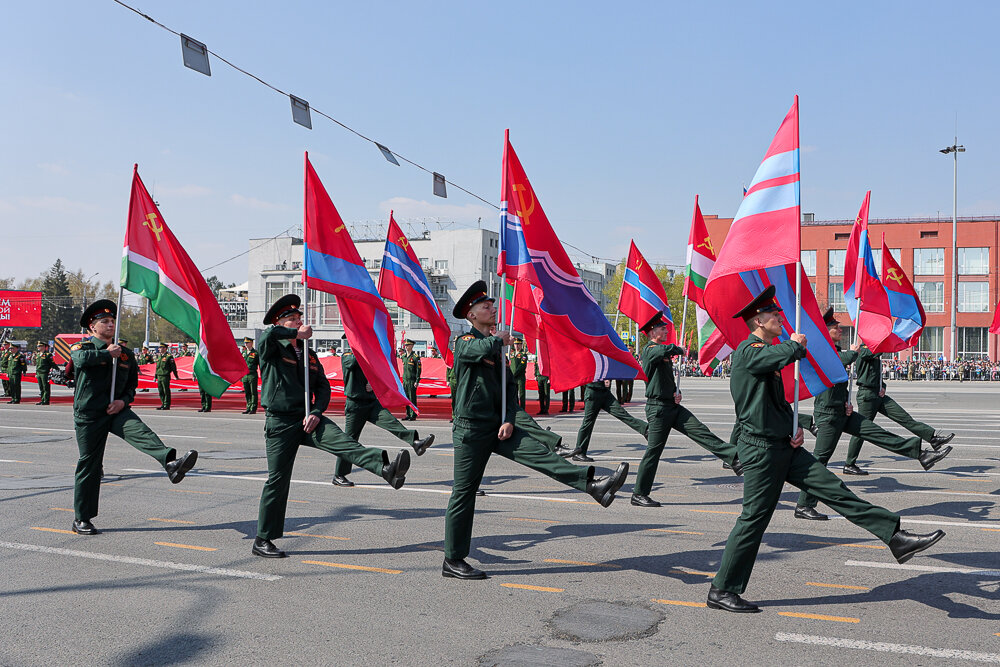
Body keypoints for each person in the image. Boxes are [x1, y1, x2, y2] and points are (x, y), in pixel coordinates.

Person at [707, 286, 945, 613]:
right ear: (758, 320)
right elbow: (773, 359)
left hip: (782, 447)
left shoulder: (768, 351)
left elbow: (776, 403)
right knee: (753, 520)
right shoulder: (748, 351)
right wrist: (795, 345)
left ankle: (895, 536)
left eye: (778, 312)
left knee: (834, 488)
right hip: (761, 452)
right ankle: (722, 589)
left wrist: (794, 428)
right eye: (774, 314)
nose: (780, 317)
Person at [442, 281, 629, 579]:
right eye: (485, 307)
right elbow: (474, 350)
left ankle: (592, 484)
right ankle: (453, 560)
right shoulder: (465, 341)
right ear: (471, 314)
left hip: (497, 426)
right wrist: (498, 341)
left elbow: (508, 390)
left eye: (492, 305)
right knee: (464, 494)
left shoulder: (497, 347)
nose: (492, 309)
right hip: (470, 430)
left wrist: (507, 418)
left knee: (541, 455)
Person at [252, 294, 410, 559]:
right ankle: (263, 539)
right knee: (277, 482)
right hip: (280, 422)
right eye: (292, 318)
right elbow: (267, 337)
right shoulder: (272, 347)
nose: (298, 321)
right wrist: (291, 332)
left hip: (308, 419)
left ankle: (384, 468)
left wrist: (315, 411)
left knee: (344, 443)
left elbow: (323, 389)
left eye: (299, 317)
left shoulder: (310, 356)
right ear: (280, 323)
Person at [794, 310, 953, 521]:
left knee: (877, 433)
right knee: (819, 461)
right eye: (836, 327)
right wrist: (855, 351)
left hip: (842, 412)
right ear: (826, 331)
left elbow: (838, 382)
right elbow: (841, 360)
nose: (840, 329)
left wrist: (846, 403)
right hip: (828, 416)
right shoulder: (823, 350)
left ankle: (921, 454)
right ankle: (804, 505)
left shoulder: (835, 348)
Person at [69, 300, 198, 535]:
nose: (110, 324)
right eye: (104, 322)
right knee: (90, 464)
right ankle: (82, 518)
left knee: (141, 431)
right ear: (92, 328)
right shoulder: (83, 349)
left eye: (112, 321)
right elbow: (80, 363)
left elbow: (131, 387)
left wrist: (123, 401)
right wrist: (107, 355)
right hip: (89, 415)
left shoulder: (126, 355)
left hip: (116, 410)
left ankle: (170, 462)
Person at [632, 311, 742, 507]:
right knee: (654, 452)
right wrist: (678, 349)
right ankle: (639, 493)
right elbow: (662, 352)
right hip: (658, 409)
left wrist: (676, 391)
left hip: (672, 405)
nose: (666, 330)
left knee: (700, 431)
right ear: (652, 331)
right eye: (662, 328)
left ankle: (733, 458)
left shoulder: (661, 350)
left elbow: (663, 379)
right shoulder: (650, 350)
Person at [332, 336, 434, 487]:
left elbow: (377, 374)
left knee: (391, 422)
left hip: (372, 403)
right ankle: (339, 474)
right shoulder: (347, 356)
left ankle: (415, 442)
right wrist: (362, 347)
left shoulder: (369, 356)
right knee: (350, 440)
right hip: (356, 405)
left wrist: (374, 385)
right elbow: (353, 363)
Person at [843, 342, 954, 475]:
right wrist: (885, 343)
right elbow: (871, 354)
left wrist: (883, 386)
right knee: (861, 431)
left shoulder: (874, 350)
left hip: (878, 394)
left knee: (904, 418)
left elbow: (876, 374)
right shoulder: (863, 350)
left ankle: (932, 438)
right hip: (867, 396)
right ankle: (849, 464)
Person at [559, 379, 647, 463]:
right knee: (588, 423)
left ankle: (646, 430)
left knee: (622, 414)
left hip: (604, 392)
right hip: (592, 392)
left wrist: (607, 378)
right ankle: (579, 452)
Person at [154, 343, 178, 410]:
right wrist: (155, 376)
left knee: (166, 391)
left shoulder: (169, 357)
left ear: (165, 348)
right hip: (159, 375)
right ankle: (162, 404)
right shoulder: (159, 356)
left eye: (161, 347)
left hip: (165, 376)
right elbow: (157, 367)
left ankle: (166, 405)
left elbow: (173, 367)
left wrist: (176, 376)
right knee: (160, 390)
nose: (159, 349)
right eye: (159, 347)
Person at [401, 339, 421, 421]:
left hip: (412, 381)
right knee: (406, 398)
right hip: (405, 380)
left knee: (412, 398)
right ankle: (408, 414)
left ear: (412, 346)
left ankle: (413, 415)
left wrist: (417, 381)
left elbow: (418, 370)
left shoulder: (415, 357)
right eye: (405, 345)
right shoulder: (404, 357)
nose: (406, 347)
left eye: (408, 345)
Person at [508, 337, 528, 409]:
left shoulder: (523, 355)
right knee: (514, 394)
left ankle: (522, 408)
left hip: (520, 377)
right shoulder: (512, 354)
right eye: (515, 344)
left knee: (521, 394)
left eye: (518, 344)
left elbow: (522, 366)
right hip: (513, 377)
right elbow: (511, 365)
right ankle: (516, 408)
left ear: (521, 345)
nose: (517, 346)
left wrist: (514, 374)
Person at [241, 336, 259, 414]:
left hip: (252, 374)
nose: (245, 344)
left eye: (247, 342)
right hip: (245, 375)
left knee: (253, 392)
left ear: (251, 343)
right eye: (245, 343)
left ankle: (253, 408)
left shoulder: (255, 353)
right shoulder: (244, 353)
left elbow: (260, 364)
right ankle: (248, 407)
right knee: (247, 392)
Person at [34, 341, 55, 405]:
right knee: (41, 387)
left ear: (43, 347)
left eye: (39, 346)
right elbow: (37, 365)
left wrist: (55, 369)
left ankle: (46, 400)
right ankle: (42, 399)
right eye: (38, 346)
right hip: (39, 372)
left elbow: (52, 363)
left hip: (44, 373)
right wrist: (36, 373)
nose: (38, 347)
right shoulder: (38, 354)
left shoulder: (48, 355)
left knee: (45, 387)